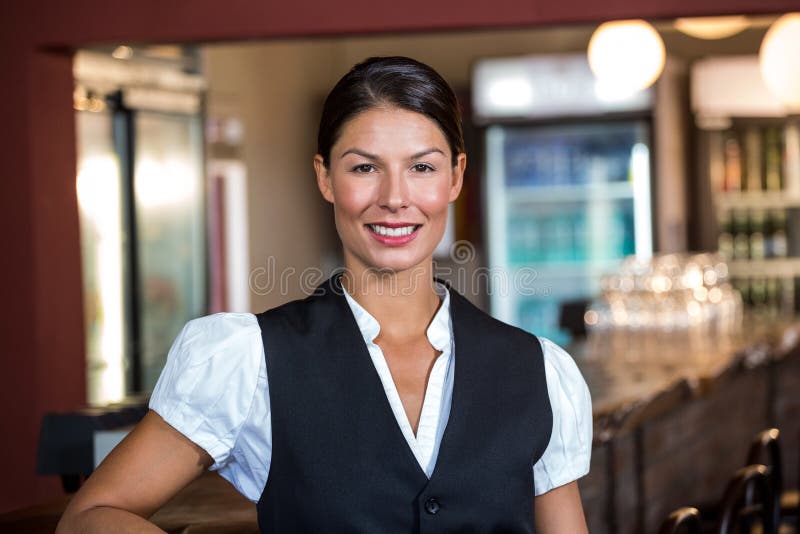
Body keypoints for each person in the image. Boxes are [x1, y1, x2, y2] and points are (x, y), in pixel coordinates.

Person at [57, 56, 592, 533]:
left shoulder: (539, 371)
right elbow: (91, 515)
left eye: (422, 167)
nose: (394, 198)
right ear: (326, 178)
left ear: (455, 177)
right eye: (364, 168)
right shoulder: (250, 361)